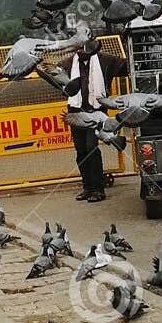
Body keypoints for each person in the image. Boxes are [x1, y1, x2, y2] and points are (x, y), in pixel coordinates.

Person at [65, 41, 109, 203]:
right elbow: (54, 76)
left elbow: (124, 66)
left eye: (83, 46)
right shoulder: (68, 63)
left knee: (91, 148)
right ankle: (87, 187)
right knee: (81, 151)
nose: (80, 50)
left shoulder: (103, 60)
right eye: (77, 47)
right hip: (75, 113)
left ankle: (98, 189)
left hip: (95, 112)